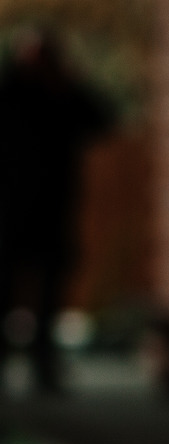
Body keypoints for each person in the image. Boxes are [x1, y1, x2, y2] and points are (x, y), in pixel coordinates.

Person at [0, 26, 114, 396]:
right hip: (10, 210)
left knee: (50, 292)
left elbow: (102, 118)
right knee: (6, 290)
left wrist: (68, 80)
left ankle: (43, 365)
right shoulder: (11, 92)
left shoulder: (62, 95)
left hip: (52, 207)